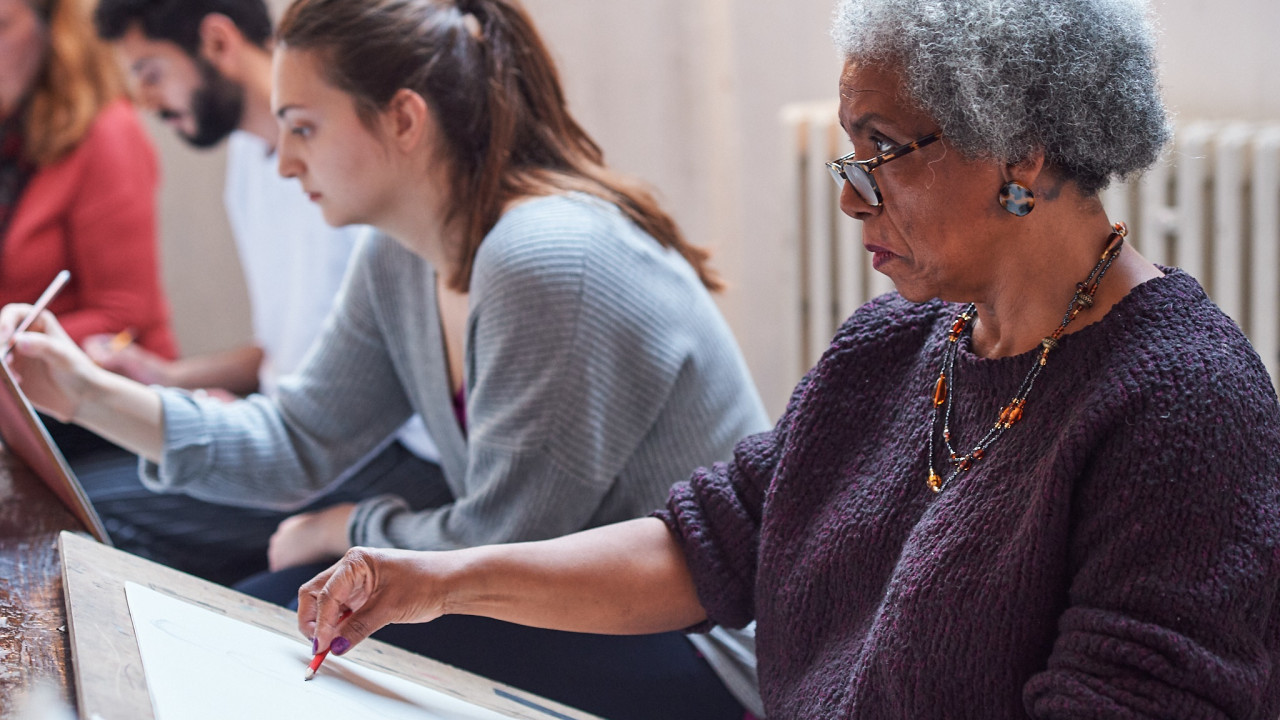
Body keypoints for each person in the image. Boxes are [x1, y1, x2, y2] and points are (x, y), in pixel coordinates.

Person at [286, 0, 1280, 717]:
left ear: (1019, 153)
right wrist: (438, 582)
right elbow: (708, 545)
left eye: (878, 150)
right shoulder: (890, 347)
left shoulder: (1182, 404)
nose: (848, 196)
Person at [0, 0, 770, 717]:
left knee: (278, 644)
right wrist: (82, 392)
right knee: (255, 616)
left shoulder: (544, 259)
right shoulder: (397, 256)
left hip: (702, 645)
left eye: (304, 128)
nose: (284, 163)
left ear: (403, 119)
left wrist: (348, 525)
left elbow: (503, 546)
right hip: (541, 601)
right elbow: (296, 439)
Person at [76, 0, 443, 586]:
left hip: (386, 449)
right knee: (79, 498)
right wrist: (167, 378)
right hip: (304, 429)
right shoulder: (251, 160)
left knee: (93, 519)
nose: (144, 100)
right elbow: (287, 353)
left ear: (218, 42)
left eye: (151, 72)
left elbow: (354, 395)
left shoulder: (355, 177)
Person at [0, 0, 175, 361]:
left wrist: (12, 343)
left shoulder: (109, 132)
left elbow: (125, 315)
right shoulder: (11, 132)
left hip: (102, 383)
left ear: (53, 28)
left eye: (1, 26)